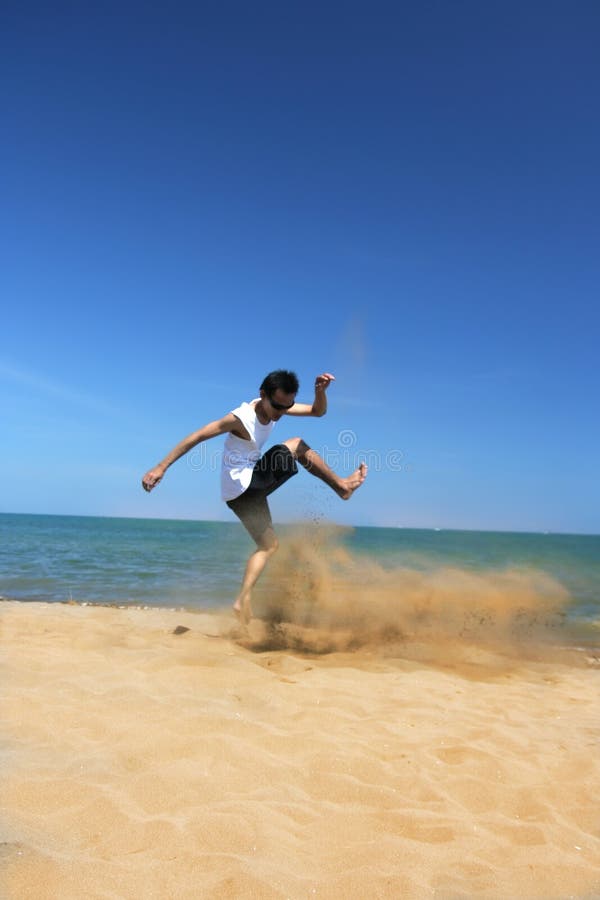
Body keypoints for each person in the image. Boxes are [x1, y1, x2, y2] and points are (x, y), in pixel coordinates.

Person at [141, 370, 367, 623]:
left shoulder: (277, 405)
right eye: (278, 406)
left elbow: (318, 411)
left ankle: (242, 599)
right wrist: (161, 467)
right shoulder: (241, 419)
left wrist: (319, 393)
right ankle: (342, 487)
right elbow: (198, 436)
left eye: (287, 406)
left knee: (269, 546)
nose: (281, 412)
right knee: (296, 445)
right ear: (263, 395)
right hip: (247, 485)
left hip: (236, 496)